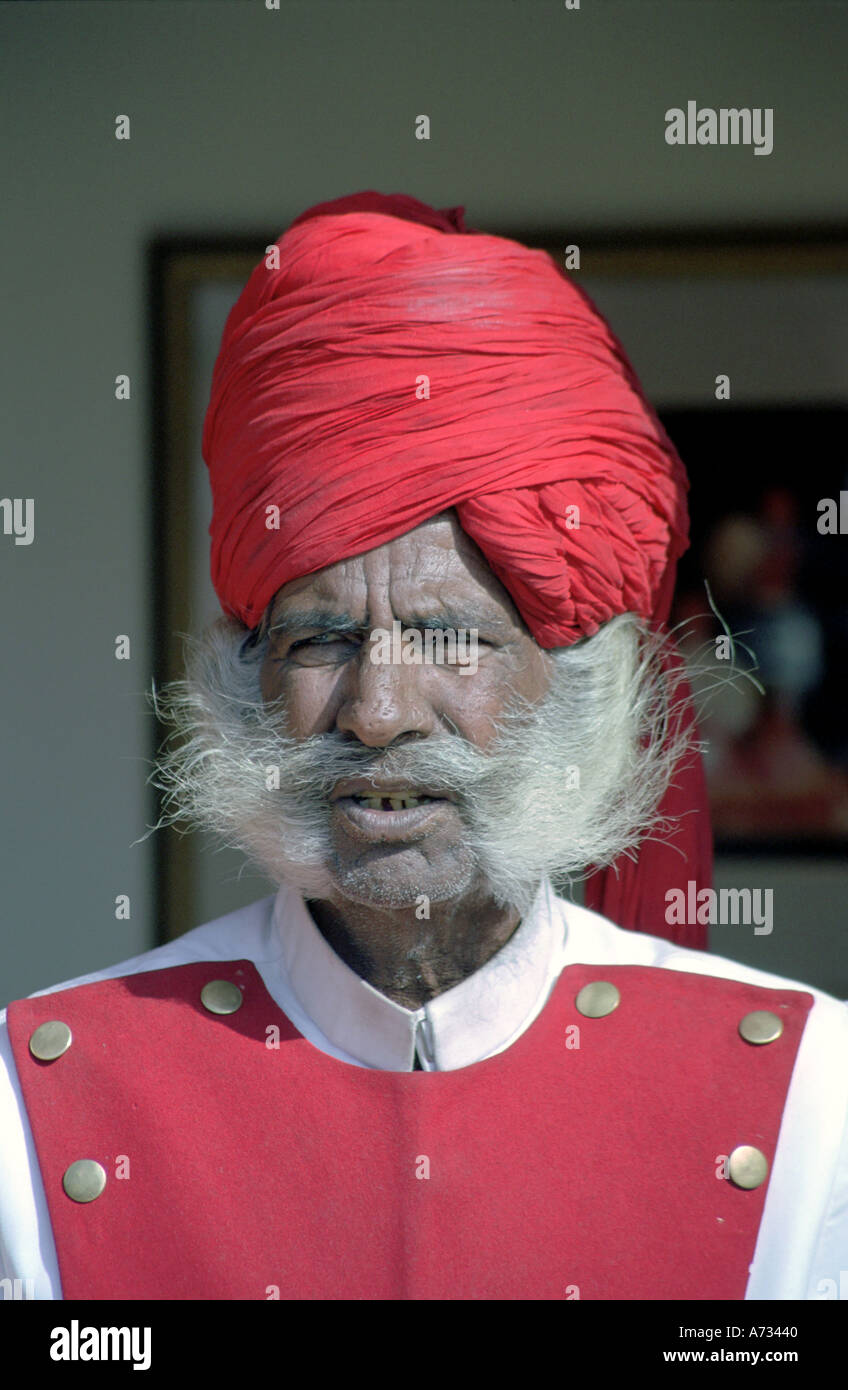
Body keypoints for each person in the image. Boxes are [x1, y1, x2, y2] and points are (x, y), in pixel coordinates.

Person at [1, 193, 846, 1302]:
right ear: (250, 674)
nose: (378, 708)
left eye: (452, 637)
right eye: (320, 636)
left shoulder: (807, 1098)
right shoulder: (36, 1098)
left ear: (571, 678)